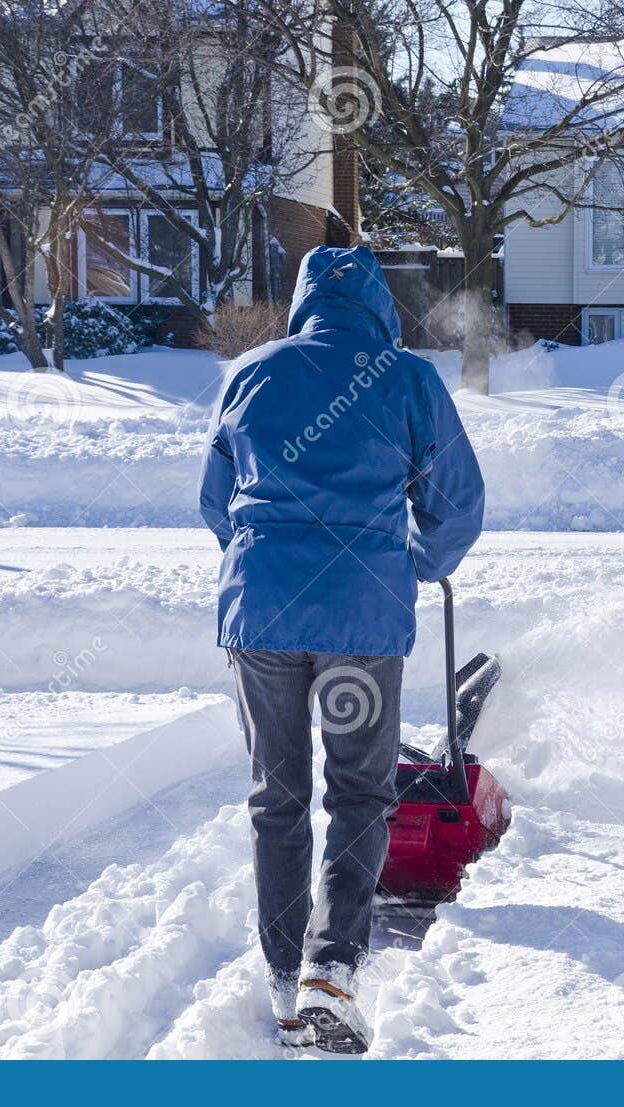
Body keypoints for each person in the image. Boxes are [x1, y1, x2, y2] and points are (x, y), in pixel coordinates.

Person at [198, 245, 484, 1054]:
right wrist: (405, 567)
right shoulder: (406, 378)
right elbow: (456, 506)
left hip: (261, 618)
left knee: (275, 797)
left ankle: (285, 979)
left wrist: (259, 562)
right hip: (361, 618)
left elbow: (214, 501)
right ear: (378, 304)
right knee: (360, 792)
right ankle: (333, 970)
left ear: (302, 301)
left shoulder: (252, 373)